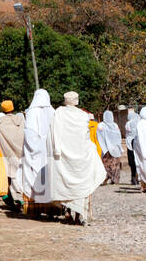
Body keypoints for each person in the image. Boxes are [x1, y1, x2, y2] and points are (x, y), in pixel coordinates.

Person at [49, 92, 107, 224]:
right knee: (82, 184)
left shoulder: (59, 113)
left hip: (63, 155)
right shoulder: (83, 115)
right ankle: (79, 214)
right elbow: (84, 136)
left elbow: (55, 132)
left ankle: (67, 212)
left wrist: (57, 149)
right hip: (81, 155)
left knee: (65, 183)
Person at [19, 89, 56, 216]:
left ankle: (34, 209)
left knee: (32, 177)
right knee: (49, 177)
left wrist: (35, 147)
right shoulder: (53, 112)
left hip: (33, 153)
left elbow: (29, 134)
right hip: (49, 152)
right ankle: (51, 208)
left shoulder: (31, 112)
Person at [0, 100, 25, 208]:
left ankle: (11, 198)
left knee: (8, 177)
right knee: (18, 176)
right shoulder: (20, 120)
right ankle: (20, 199)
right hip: (19, 153)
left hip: (6, 153)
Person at [97, 110, 124, 185]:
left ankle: (109, 178)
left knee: (108, 164)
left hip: (107, 149)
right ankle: (113, 179)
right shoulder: (114, 125)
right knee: (113, 164)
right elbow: (118, 136)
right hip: (112, 149)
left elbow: (99, 137)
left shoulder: (101, 125)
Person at [123, 106, 139, 185]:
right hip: (138, 142)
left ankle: (133, 178)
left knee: (132, 162)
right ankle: (138, 178)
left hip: (130, 143)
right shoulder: (139, 122)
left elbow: (127, 131)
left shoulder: (128, 123)